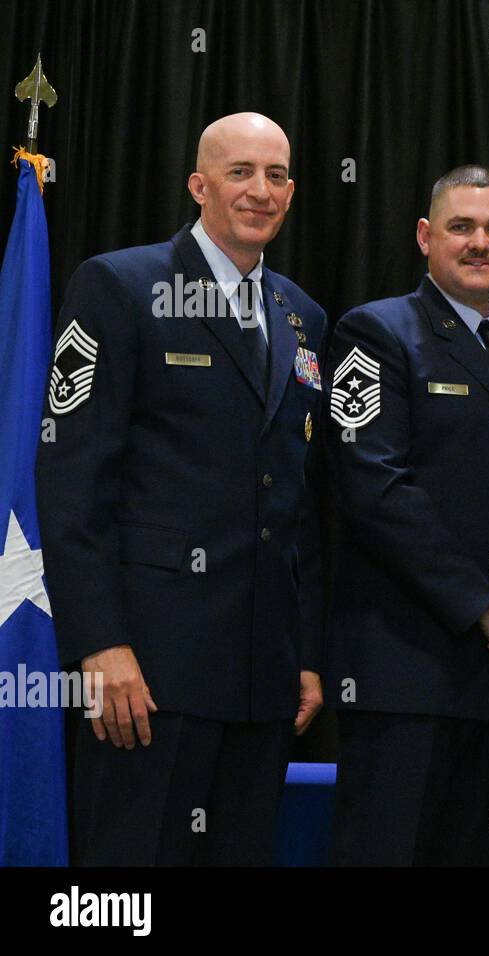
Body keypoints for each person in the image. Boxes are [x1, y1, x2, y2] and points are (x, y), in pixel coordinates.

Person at [36, 112, 326, 865]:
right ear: (199, 184)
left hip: (262, 674)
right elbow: (72, 479)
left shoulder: (303, 319)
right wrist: (99, 644)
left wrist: (305, 652)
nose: (260, 191)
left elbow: (301, 502)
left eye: (276, 175)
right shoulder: (119, 286)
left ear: (291, 192)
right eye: (240, 173)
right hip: (148, 670)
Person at [325, 165, 489, 866]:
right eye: (460, 226)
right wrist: (485, 605)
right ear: (426, 237)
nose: (478, 242)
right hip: (404, 674)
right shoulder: (376, 332)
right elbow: (374, 489)